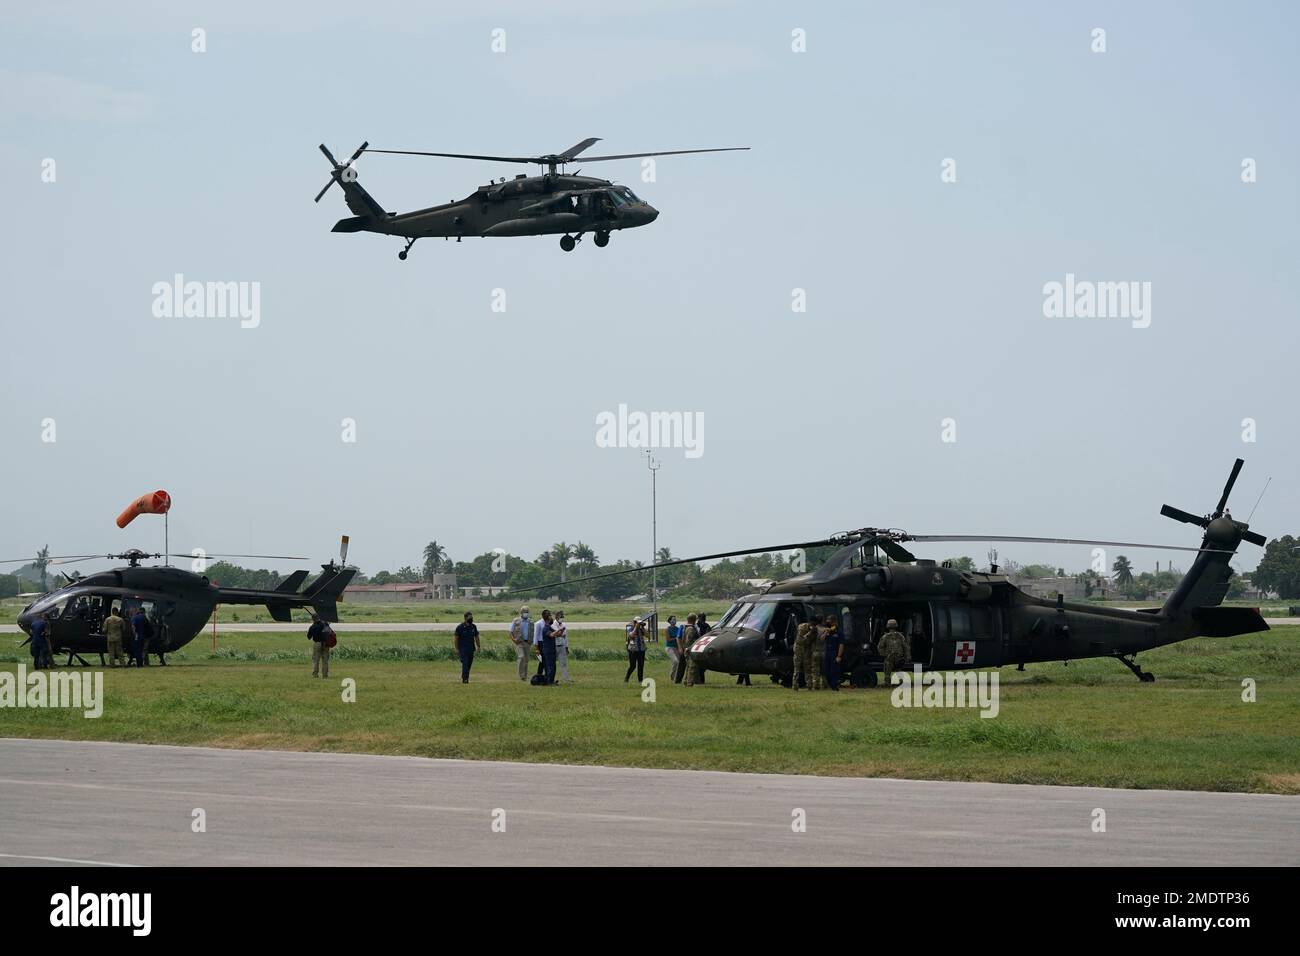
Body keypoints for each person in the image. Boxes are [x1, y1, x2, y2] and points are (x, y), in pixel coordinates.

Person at [878, 618, 911, 683]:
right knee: (898, 669)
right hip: (899, 657)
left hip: (889, 657)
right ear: (896, 626)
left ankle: (887, 682)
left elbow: (880, 647)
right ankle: (901, 681)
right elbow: (906, 647)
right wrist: (908, 656)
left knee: (887, 671)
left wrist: (884, 655)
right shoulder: (901, 636)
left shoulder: (885, 636)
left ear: (888, 626)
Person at [454, 611, 480, 683]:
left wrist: (478, 646)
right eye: (470, 617)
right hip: (463, 649)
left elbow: (476, 637)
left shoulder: (473, 627)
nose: (471, 619)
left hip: (471, 649)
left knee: (469, 664)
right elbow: (456, 638)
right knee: (465, 664)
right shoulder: (460, 627)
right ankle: (465, 679)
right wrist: (456, 649)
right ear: (465, 618)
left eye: (472, 617)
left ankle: (465, 677)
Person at [510, 606, 532, 681]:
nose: (526, 613)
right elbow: (511, 631)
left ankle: (525, 676)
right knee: (521, 657)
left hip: (527, 642)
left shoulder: (530, 621)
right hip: (519, 642)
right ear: (521, 613)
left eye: (527, 612)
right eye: (525, 612)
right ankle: (521, 675)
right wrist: (514, 640)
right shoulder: (516, 621)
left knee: (526, 660)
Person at [534, 609, 556, 685]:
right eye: (548, 615)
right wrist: (536, 648)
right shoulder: (538, 623)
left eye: (549, 614)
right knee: (543, 661)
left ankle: (547, 677)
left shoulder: (549, 623)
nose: (549, 616)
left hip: (547, 642)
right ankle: (539, 676)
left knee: (547, 662)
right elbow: (536, 636)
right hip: (540, 643)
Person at [308, 611, 333, 678]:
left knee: (316, 660)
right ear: (319, 618)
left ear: (313, 619)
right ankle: (325, 675)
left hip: (317, 644)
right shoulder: (324, 624)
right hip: (325, 644)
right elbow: (330, 632)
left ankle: (315, 674)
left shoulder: (312, 627)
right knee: (325, 660)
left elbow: (308, 637)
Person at [791, 620, 815, 690]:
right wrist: (810, 632)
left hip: (803, 648)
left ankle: (804, 685)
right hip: (801, 648)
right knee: (801, 668)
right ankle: (805, 685)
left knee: (802, 668)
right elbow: (804, 638)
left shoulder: (801, 626)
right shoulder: (803, 627)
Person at [822, 616, 844, 691]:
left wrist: (839, 656)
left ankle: (835, 687)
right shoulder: (827, 631)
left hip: (834, 652)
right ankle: (831, 685)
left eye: (829, 621)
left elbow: (841, 644)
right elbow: (821, 639)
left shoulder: (839, 632)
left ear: (834, 622)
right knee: (826, 671)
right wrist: (826, 632)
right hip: (827, 652)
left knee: (833, 671)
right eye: (827, 621)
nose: (828, 623)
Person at [624, 617, 647, 683]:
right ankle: (627, 678)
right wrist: (636, 627)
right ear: (634, 622)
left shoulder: (641, 629)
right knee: (633, 665)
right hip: (633, 650)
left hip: (641, 650)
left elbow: (648, 635)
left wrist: (642, 628)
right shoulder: (630, 628)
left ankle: (640, 680)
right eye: (638, 623)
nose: (639, 624)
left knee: (641, 665)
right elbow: (631, 635)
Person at [678, 614, 698, 684]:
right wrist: (689, 648)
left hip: (686, 649)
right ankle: (689, 681)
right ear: (694, 620)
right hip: (690, 649)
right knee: (692, 666)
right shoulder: (691, 629)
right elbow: (689, 639)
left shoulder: (685, 628)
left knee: (688, 666)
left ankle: (686, 680)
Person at [809, 615, 828, 689]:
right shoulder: (826, 629)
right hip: (824, 652)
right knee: (824, 670)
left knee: (815, 670)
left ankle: (816, 685)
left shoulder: (814, 629)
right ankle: (825, 684)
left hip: (815, 651)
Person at [552, 610, 571, 682]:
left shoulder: (563, 625)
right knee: (552, 663)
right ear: (557, 617)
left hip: (562, 646)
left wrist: (566, 647)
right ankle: (550, 678)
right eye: (561, 617)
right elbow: (558, 634)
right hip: (554, 646)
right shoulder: (553, 625)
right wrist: (561, 633)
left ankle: (566, 679)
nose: (562, 618)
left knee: (564, 663)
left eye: (563, 617)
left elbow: (565, 637)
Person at [664, 614, 683, 679]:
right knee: (675, 661)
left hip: (677, 647)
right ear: (670, 621)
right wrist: (676, 638)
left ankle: (676, 676)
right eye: (673, 620)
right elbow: (668, 639)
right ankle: (672, 676)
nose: (674, 621)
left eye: (675, 620)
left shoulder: (678, 629)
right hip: (669, 647)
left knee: (678, 662)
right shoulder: (667, 629)